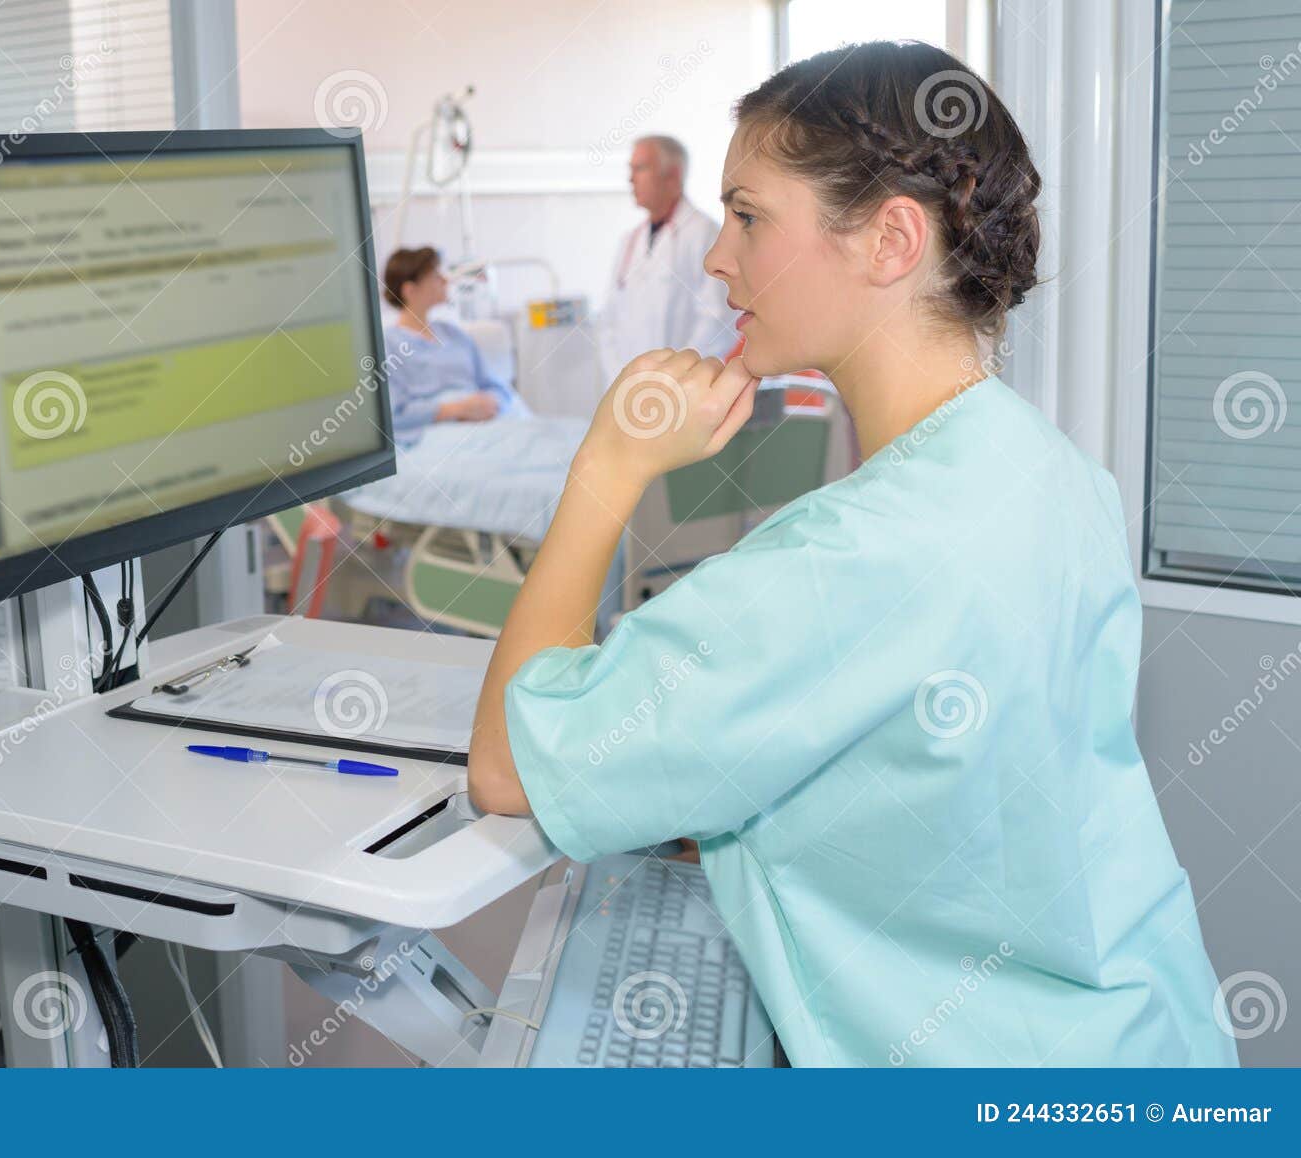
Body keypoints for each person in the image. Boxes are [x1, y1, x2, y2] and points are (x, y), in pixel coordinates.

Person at [466, 42, 1236, 1067]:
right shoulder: (1050, 471)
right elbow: (962, 774)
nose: (715, 256)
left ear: (887, 241)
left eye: (747, 217)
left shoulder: (849, 558)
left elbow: (507, 768)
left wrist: (606, 467)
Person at [596, 135, 736, 385]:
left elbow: (717, 319)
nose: (630, 179)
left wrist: (673, 378)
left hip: (682, 389)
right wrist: (622, 379)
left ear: (672, 175)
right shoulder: (629, 242)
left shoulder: (706, 235)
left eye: (640, 168)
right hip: (627, 389)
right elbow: (608, 320)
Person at [380, 247, 526, 439]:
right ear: (410, 290)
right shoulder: (388, 344)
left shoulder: (455, 335)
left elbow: (496, 386)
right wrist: (454, 409)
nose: (445, 280)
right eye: (435, 276)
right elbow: (394, 415)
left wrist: (492, 403)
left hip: (491, 422)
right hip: (440, 436)